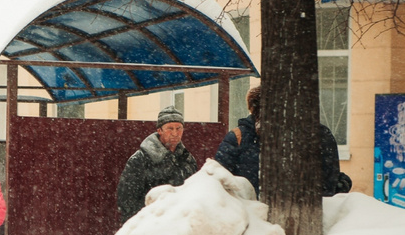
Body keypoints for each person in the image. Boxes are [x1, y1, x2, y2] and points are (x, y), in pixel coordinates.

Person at [215, 84, 344, 196]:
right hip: (250, 216)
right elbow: (218, 180)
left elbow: (328, 185)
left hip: (302, 215)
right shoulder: (239, 137)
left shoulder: (318, 136)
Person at [116, 105, 198, 223]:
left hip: (180, 226)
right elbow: (127, 200)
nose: (175, 133)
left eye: (179, 128)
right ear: (159, 130)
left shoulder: (188, 160)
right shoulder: (140, 160)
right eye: (170, 128)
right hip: (150, 225)